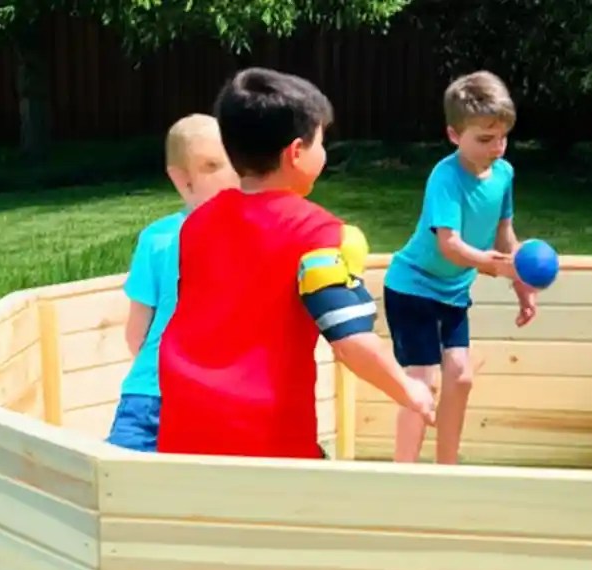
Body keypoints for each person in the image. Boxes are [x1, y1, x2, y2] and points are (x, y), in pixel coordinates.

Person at [155, 67, 436, 458]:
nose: (325, 151)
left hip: (184, 423)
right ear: (296, 152)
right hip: (266, 436)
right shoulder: (318, 234)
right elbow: (350, 339)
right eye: (321, 141)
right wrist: (410, 390)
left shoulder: (196, 223)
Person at [381, 70, 538, 465]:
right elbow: (448, 245)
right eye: (484, 139)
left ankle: (447, 467)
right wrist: (492, 267)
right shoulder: (445, 177)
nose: (497, 148)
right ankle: (403, 473)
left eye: (502, 137)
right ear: (454, 135)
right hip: (412, 287)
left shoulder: (503, 174)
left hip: (452, 293)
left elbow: (505, 234)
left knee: (461, 377)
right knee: (422, 381)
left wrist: (520, 281)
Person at [105, 113, 239, 452]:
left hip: (151, 390)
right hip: (196, 396)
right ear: (181, 180)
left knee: (122, 485)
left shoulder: (158, 237)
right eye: (213, 166)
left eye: (234, 162)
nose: (230, 174)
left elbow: (137, 333)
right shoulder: (252, 233)